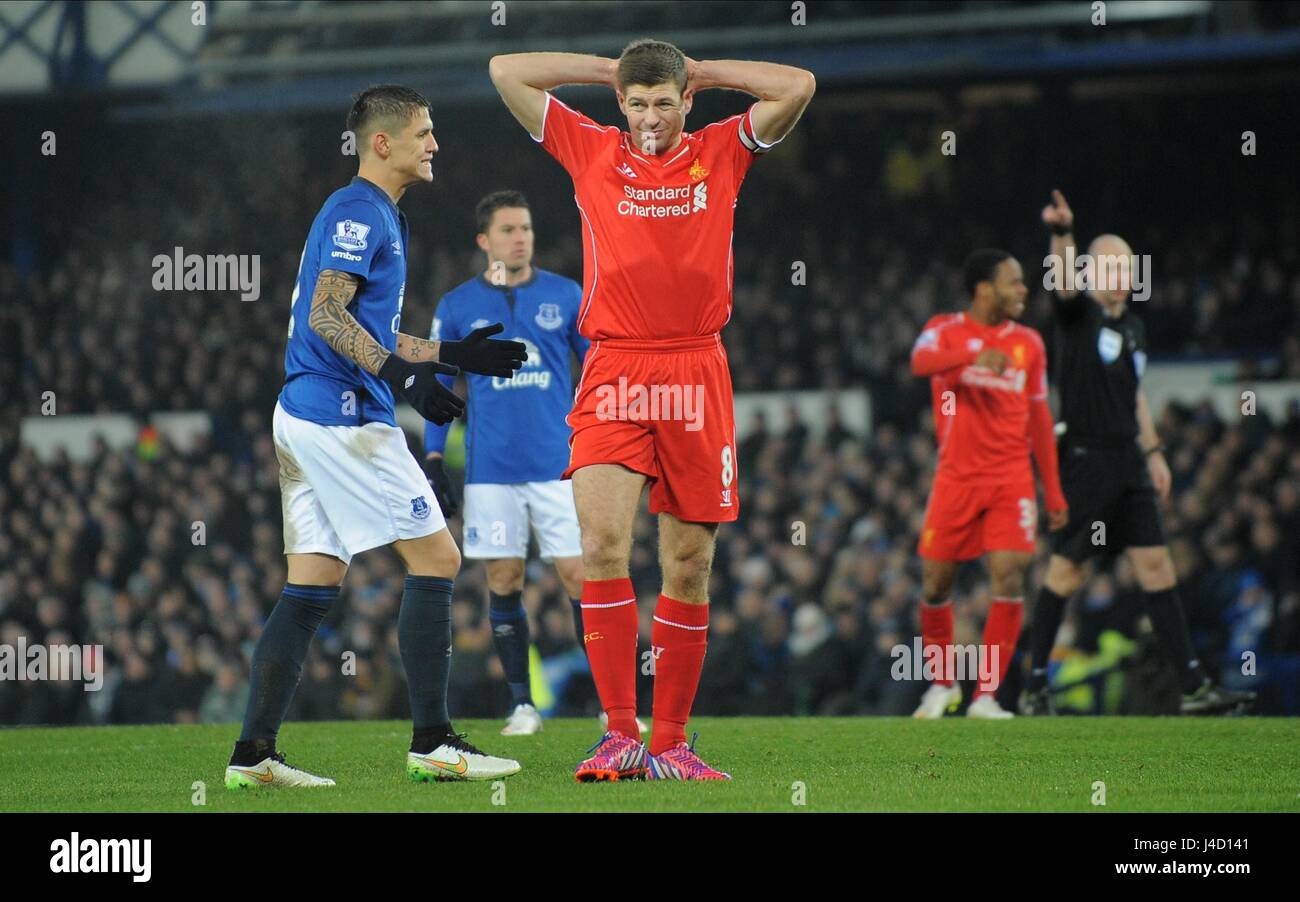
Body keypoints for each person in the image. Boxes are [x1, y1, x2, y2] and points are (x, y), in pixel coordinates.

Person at [489, 40, 815, 780]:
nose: (649, 119)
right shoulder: (592, 148)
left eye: (663, 102)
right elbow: (504, 70)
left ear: (686, 102)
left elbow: (798, 84)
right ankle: (618, 734)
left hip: (697, 366)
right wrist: (609, 71)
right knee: (602, 543)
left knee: (689, 563)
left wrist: (708, 72)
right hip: (616, 368)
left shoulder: (721, 150)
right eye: (635, 104)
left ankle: (670, 743)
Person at [224, 85, 528, 789]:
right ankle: (433, 742)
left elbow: (366, 324)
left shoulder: (373, 213)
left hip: (302, 412)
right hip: (341, 415)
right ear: (383, 143)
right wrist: (400, 379)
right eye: (424, 133)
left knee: (314, 580)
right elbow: (329, 317)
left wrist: (448, 355)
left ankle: (253, 755)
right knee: (439, 560)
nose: (435, 145)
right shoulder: (362, 209)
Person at [1020, 190, 1255, 716]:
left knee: (1156, 567)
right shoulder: (1076, 317)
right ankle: (1034, 685)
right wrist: (1062, 234)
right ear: (1088, 272)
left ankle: (1193, 687)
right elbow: (1059, 282)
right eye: (1108, 266)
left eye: (1125, 266)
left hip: (1129, 460)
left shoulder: (1133, 327)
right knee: (1066, 572)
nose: (1119, 274)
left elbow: (1135, 394)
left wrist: (1154, 452)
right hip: (1085, 459)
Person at [424, 190, 645, 736]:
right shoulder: (456, 307)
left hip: (558, 466)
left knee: (580, 575)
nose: (520, 237)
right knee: (504, 577)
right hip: (491, 471)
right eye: (508, 230)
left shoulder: (566, 295)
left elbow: (597, 366)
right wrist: (432, 455)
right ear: (485, 241)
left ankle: (611, 706)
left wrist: (608, 434)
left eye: (525, 228)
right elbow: (438, 384)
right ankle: (523, 705)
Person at [910, 250, 1068, 719]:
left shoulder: (1030, 344)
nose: (1024, 290)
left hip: (1010, 477)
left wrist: (1054, 490)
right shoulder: (945, 329)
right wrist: (976, 353)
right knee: (936, 585)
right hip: (956, 477)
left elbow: (1040, 417)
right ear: (984, 289)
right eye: (1014, 282)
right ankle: (942, 684)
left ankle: (986, 695)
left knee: (1010, 577)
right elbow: (920, 362)